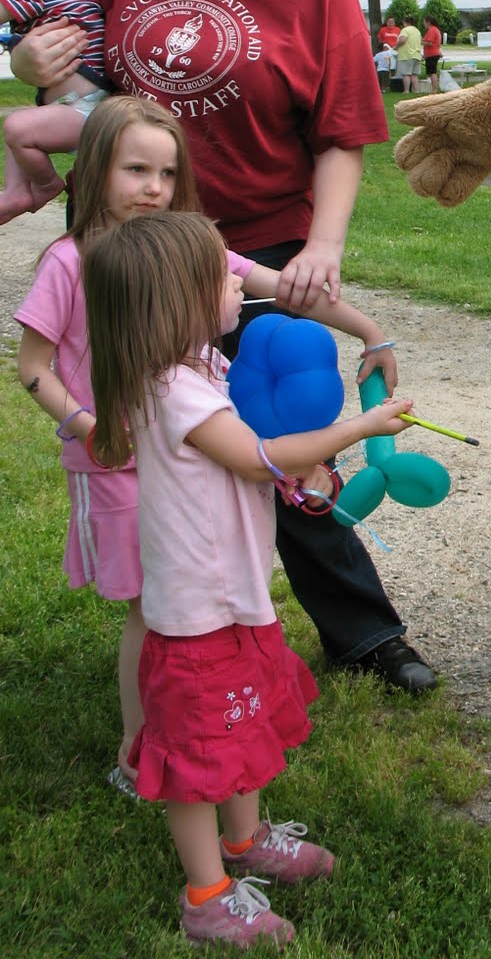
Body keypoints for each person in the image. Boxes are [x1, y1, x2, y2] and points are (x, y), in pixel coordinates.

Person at [11, 0, 437, 694]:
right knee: (155, 440)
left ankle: (363, 634)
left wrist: (322, 247)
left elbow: (342, 133)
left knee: (285, 435)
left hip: (259, 243)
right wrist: (31, 65)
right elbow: (85, 78)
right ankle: (176, 634)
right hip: (135, 243)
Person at [14, 95, 403, 793]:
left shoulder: (191, 248)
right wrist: (89, 427)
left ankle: (204, 722)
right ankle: (141, 746)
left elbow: (281, 289)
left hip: (190, 456)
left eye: (166, 173)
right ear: (97, 167)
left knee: (193, 598)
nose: (154, 188)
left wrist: (369, 329)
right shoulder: (69, 263)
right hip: (117, 467)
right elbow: (33, 368)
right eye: (137, 169)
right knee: (149, 605)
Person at [84, 209, 414, 949]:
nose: (241, 287)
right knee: (197, 756)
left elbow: (257, 468)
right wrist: (360, 430)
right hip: (196, 612)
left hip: (233, 595)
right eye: (224, 279)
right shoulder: (173, 387)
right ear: (179, 300)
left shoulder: (204, 368)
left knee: (239, 724)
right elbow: (252, 455)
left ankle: (247, 841)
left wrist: (301, 481)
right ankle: (206, 895)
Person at [0, 0, 109, 224]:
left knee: (16, 128)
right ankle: (17, 192)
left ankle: (46, 184)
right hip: (87, 106)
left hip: (86, 110)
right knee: (23, 127)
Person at [395, 15, 424, 94]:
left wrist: (396, 47)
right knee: (414, 74)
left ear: (405, 22)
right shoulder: (417, 31)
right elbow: (421, 41)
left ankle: (406, 90)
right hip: (417, 54)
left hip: (407, 55)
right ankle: (416, 90)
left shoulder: (405, 30)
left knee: (406, 74)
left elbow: (402, 40)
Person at [421, 15, 443, 91]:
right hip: (432, 53)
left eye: (424, 22)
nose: (423, 24)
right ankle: (434, 88)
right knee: (431, 72)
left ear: (428, 22)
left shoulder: (432, 30)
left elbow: (430, 42)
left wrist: (420, 41)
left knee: (432, 72)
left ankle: (434, 89)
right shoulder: (435, 29)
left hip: (432, 53)